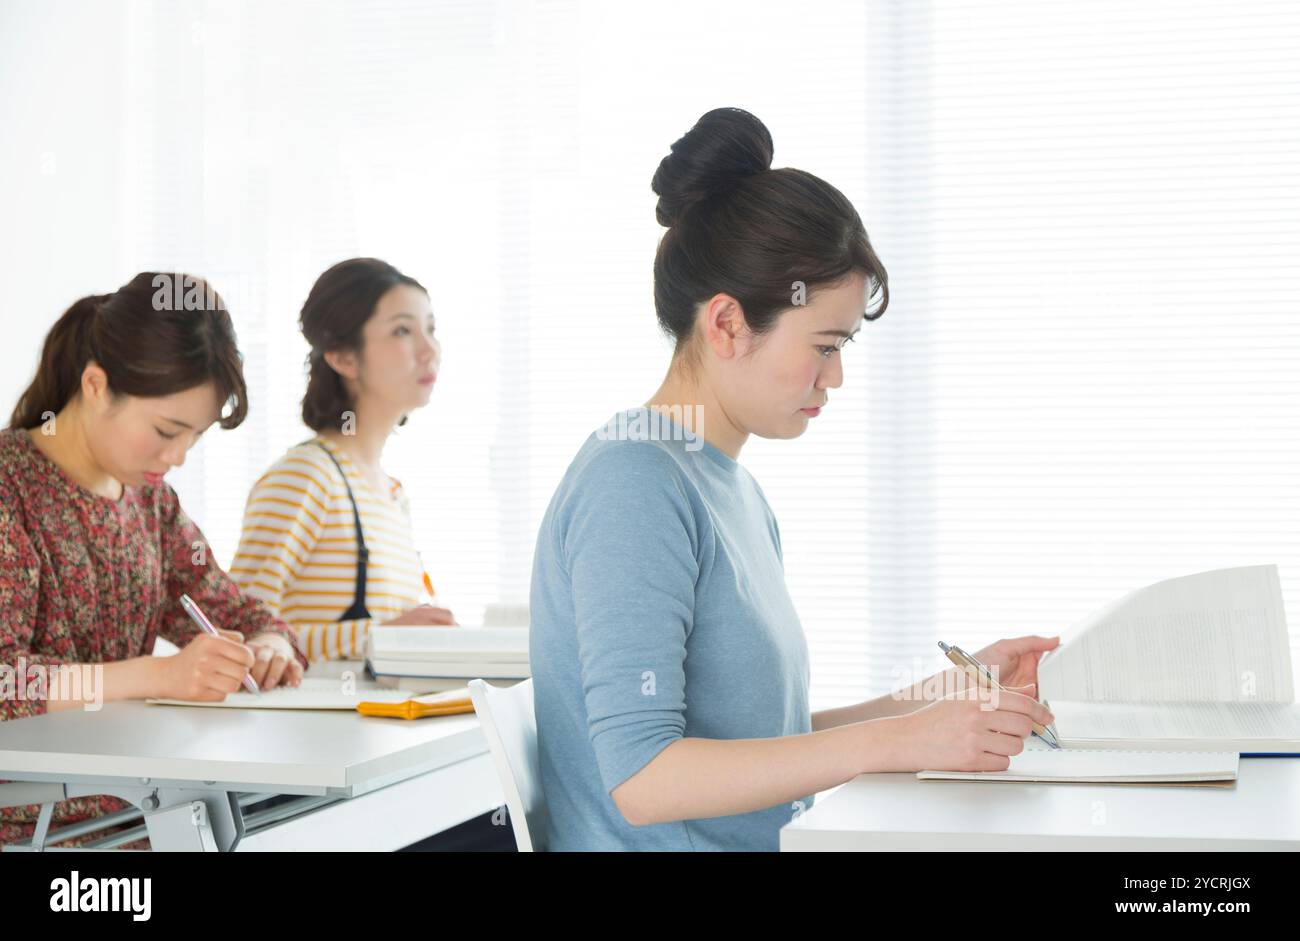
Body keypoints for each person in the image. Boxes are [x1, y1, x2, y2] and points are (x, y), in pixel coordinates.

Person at [529, 108, 1059, 851]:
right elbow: (646, 778)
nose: (835, 376)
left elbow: (766, 745)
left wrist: (944, 699)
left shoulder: (729, 489)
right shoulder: (633, 485)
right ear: (726, 324)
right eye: (824, 344)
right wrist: (897, 742)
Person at [0, 272, 308, 848]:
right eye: (167, 431)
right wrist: (162, 675)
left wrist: (268, 646)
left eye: (194, 436)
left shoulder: (152, 502)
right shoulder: (9, 489)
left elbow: (235, 608)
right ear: (96, 385)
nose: (178, 456)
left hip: (142, 812)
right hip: (39, 833)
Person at [231, 258, 455, 663]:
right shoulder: (306, 477)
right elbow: (239, 633)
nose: (430, 349)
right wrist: (381, 637)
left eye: (431, 329)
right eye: (403, 330)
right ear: (343, 358)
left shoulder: (392, 494)